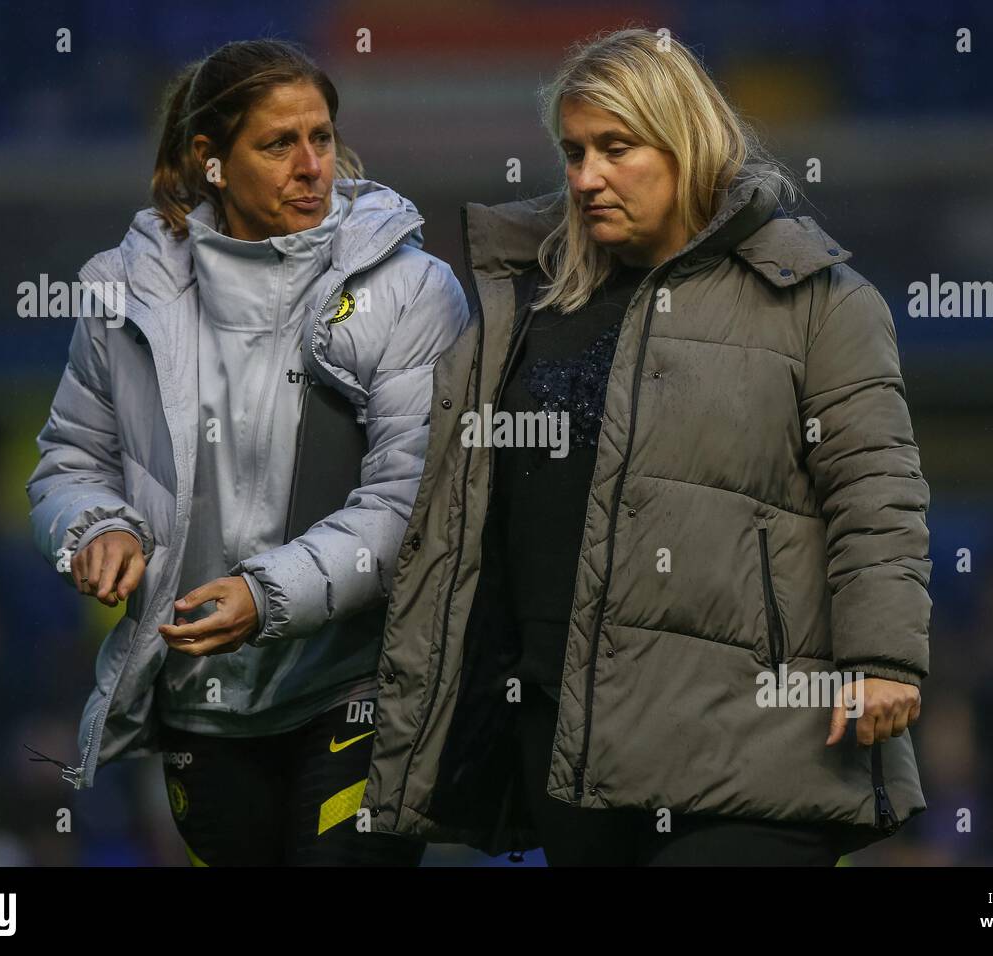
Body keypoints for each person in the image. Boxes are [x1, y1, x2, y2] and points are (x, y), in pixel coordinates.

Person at [360, 28, 932, 865]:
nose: (587, 177)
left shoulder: (819, 300)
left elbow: (877, 495)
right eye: (574, 152)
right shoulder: (530, 305)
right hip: (570, 740)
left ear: (686, 141)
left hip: (762, 736)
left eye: (615, 148)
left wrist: (883, 659)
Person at [26, 39, 469, 865]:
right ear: (212, 161)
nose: (312, 166)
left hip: (360, 683)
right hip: (204, 699)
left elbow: (409, 505)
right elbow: (71, 459)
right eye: (279, 144)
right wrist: (94, 528)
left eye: (323, 137)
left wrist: (264, 597)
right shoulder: (125, 296)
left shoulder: (410, 290)